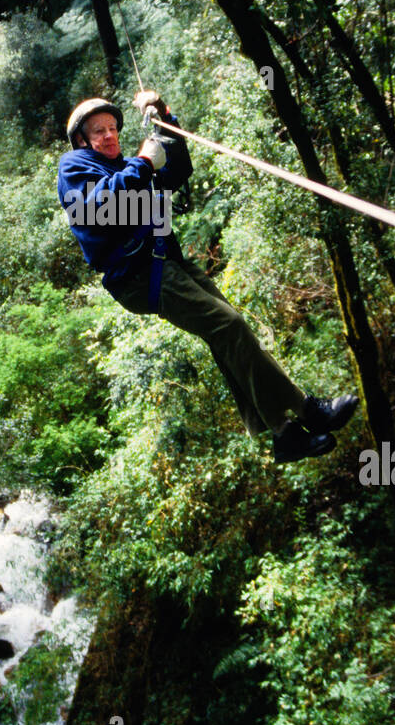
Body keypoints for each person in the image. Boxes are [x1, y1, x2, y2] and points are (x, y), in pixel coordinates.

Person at [56, 91, 360, 463]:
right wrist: (143, 163)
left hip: (166, 262)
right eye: (98, 132)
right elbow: (99, 208)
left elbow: (177, 169)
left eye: (112, 128)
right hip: (140, 275)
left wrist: (165, 116)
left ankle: (283, 435)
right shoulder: (75, 168)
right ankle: (307, 411)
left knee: (229, 334)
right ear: (82, 140)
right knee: (227, 325)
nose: (109, 136)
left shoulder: (126, 167)